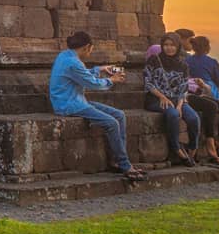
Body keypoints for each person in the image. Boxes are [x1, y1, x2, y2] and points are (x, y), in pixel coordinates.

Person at [48, 31, 146, 182]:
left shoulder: (65, 56)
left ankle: (116, 161)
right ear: (87, 47)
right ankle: (125, 165)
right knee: (111, 123)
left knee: (119, 115)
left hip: (76, 100)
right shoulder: (73, 62)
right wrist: (112, 80)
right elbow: (92, 83)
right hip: (69, 105)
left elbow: (81, 75)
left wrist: (99, 69)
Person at [144, 32, 201, 167]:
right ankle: (177, 149)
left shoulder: (182, 65)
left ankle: (193, 149)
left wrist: (180, 104)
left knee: (193, 117)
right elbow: (148, 82)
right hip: (155, 98)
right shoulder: (153, 60)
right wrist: (162, 96)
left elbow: (183, 88)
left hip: (177, 99)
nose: (169, 48)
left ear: (178, 47)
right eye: (166, 45)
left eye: (172, 45)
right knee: (173, 114)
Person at [185, 37, 219, 165]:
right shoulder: (211, 62)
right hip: (198, 93)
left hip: (196, 91)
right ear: (207, 48)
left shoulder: (187, 60)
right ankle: (216, 145)